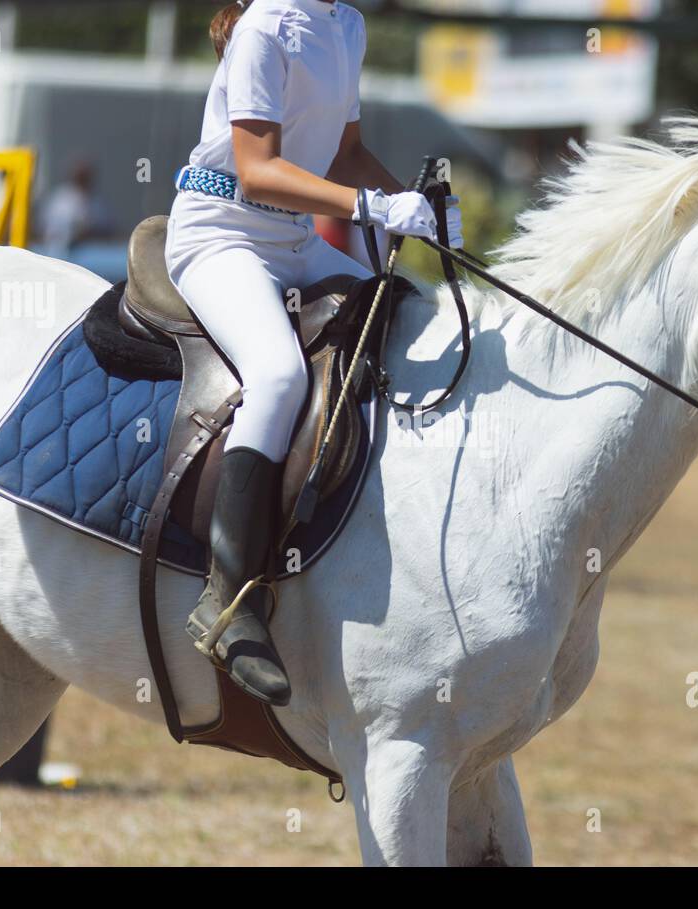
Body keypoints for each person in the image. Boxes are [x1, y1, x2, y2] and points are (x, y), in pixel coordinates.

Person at [165, 0, 463, 706]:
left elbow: (346, 151)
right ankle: (229, 602)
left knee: (410, 316)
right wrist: (370, 210)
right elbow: (258, 169)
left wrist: (414, 202)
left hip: (291, 240)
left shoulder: (344, 25)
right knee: (275, 377)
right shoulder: (265, 27)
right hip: (221, 234)